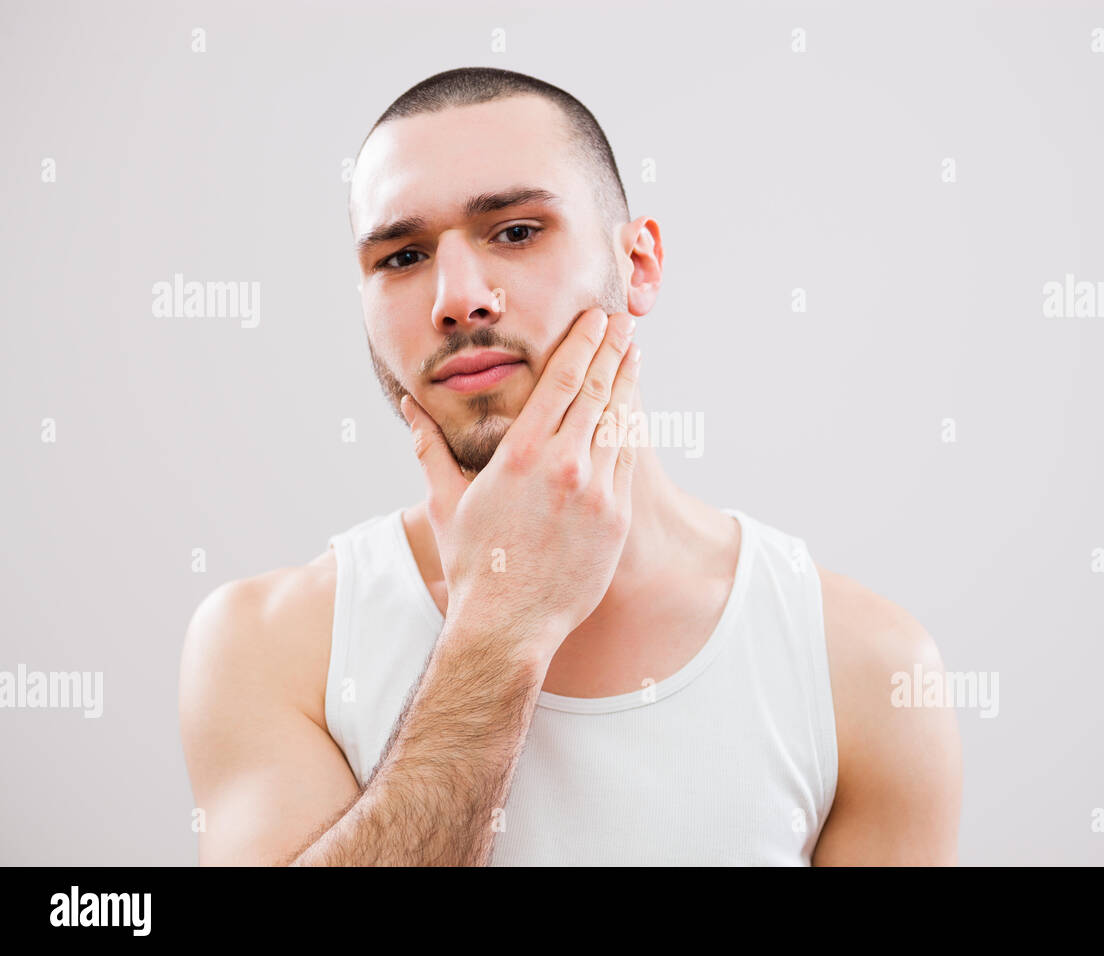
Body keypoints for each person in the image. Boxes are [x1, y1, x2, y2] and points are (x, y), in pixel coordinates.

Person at [179, 67, 962, 865]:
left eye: (516, 232)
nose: (457, 297)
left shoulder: (862, 665)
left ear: (640, 265)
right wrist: (500, 628)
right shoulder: (270, 645)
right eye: (403, 255)